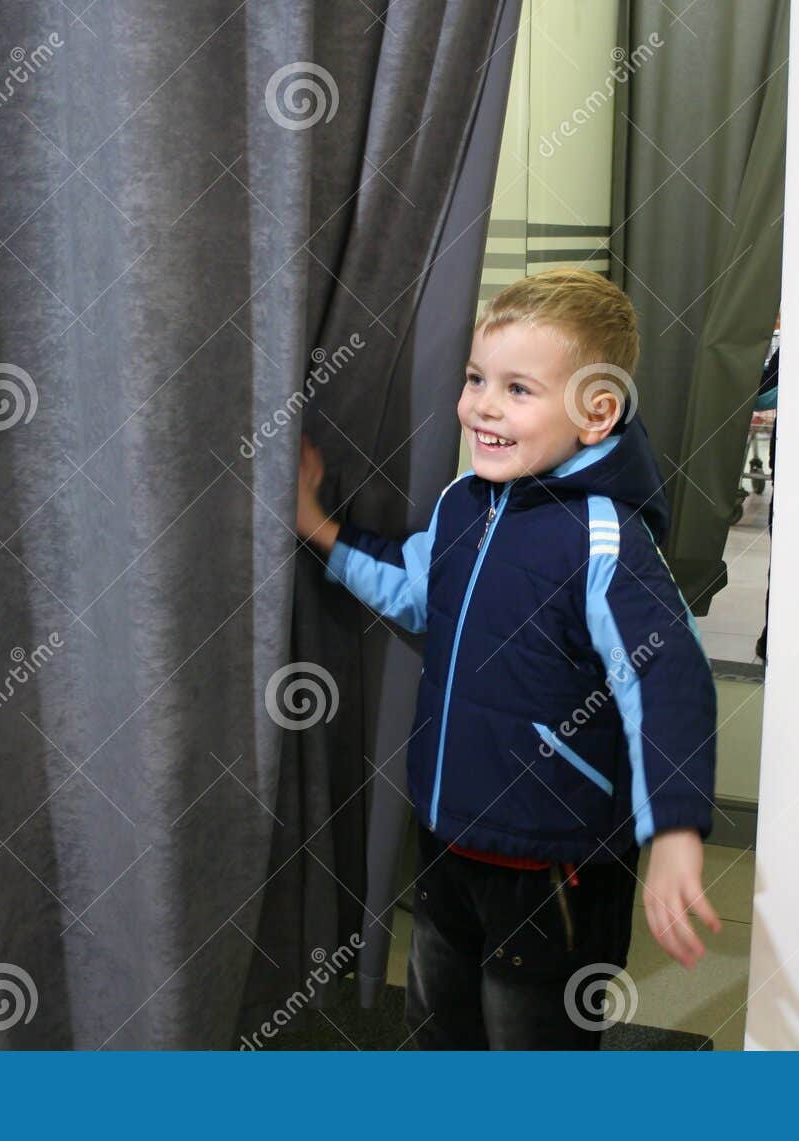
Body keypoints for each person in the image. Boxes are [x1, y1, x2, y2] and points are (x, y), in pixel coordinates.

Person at [295, 268, 720, 1049]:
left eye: (518, 389)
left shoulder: (604, 537)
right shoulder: (465, 502)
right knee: (440, 1028)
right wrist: (320, 529)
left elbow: (668, 678)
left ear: (596, 413)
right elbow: (413, 588)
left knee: (532, 1046)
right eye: (475, 379)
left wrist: (677, 830)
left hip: (553, 864)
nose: (483, 405)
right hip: (448, 836)